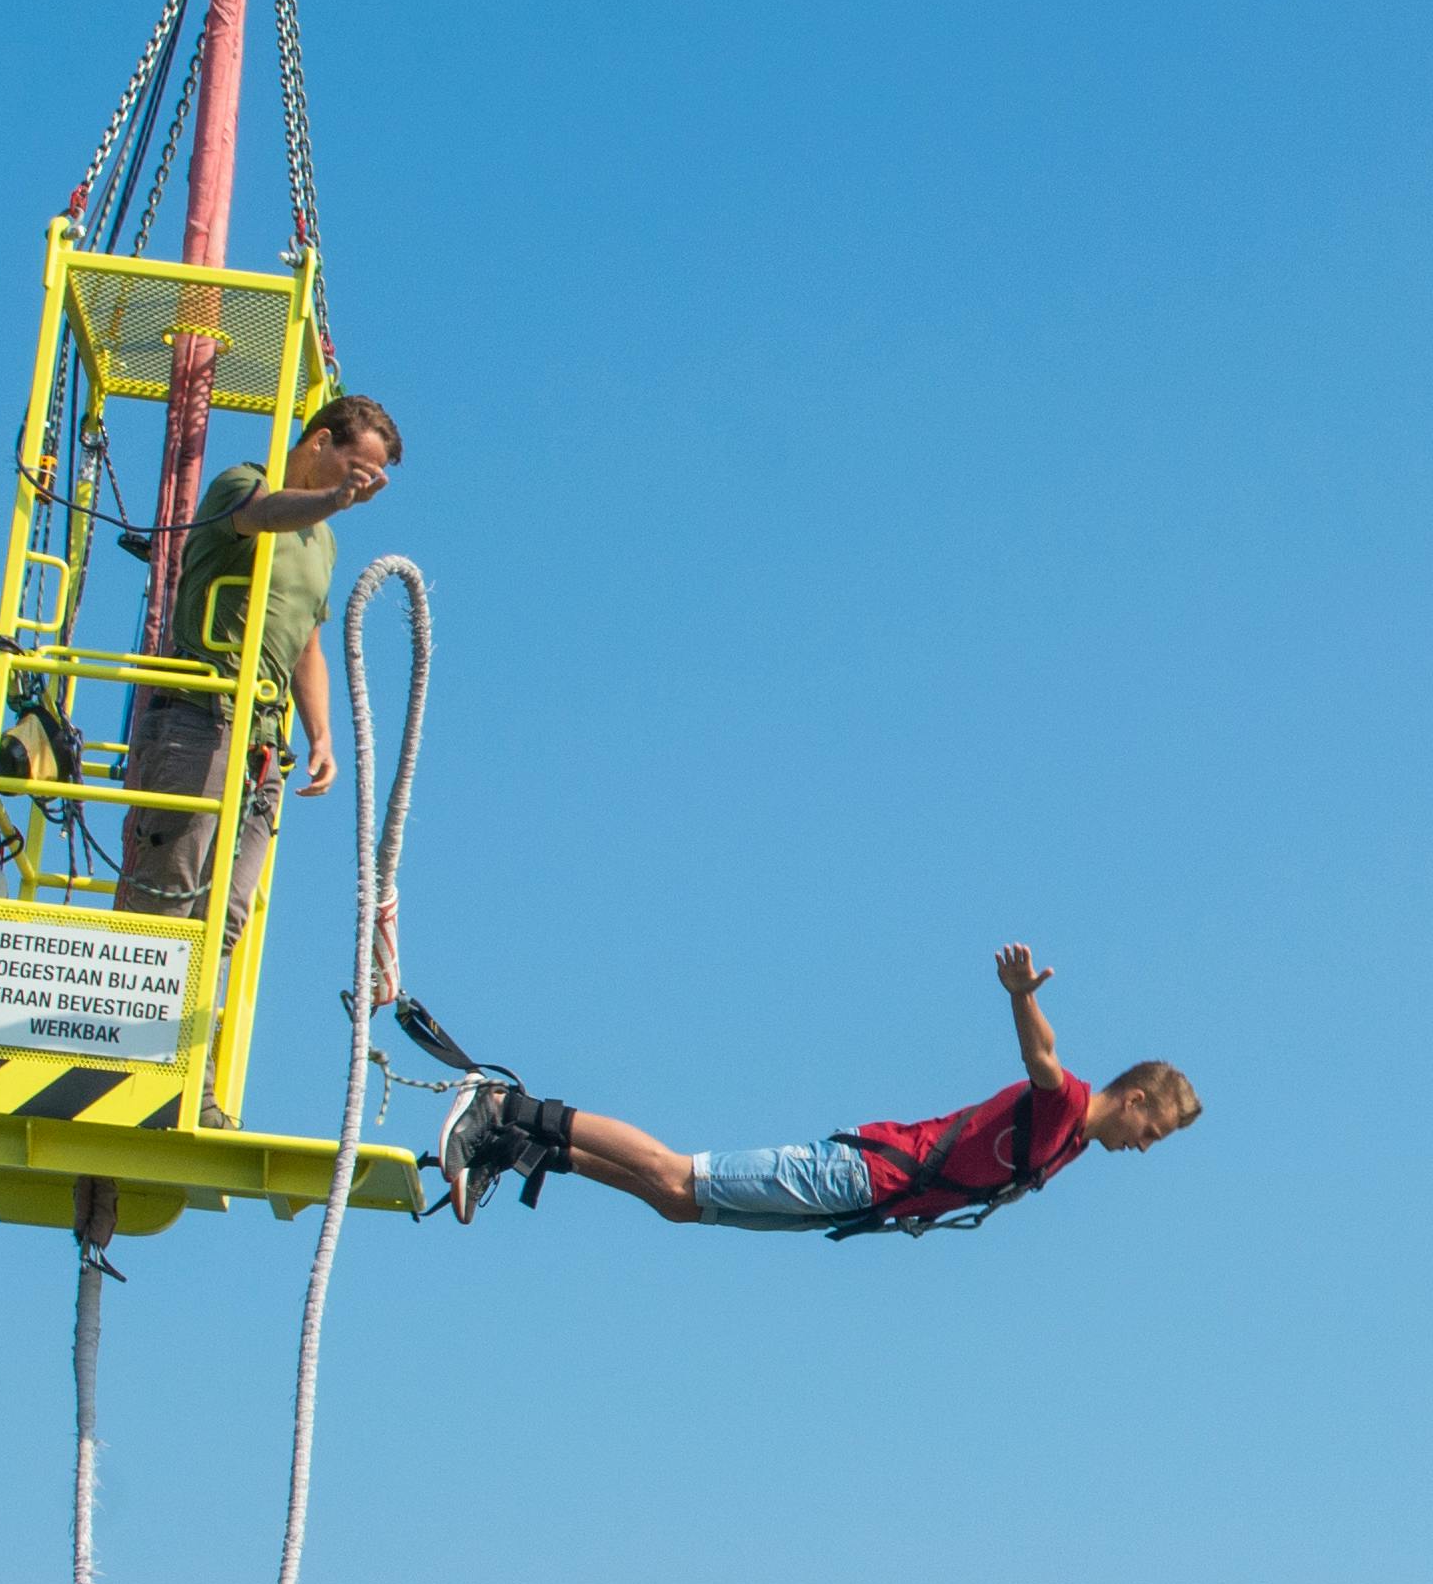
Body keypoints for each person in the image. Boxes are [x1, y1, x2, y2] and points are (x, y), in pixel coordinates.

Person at [435, 942, 1200, 1233]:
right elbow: (1043, 1055)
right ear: (1133, 1100)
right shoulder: (1066, 1103)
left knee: (674, 1203)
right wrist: (1018, 994)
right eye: (1152, 1131)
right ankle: (511, 1108)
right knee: (675, 1171)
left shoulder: (1068, 1148)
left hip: (863, 1199)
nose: (1144, 1147)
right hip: (858, 1171)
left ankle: (522, 1146)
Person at [115, 390, 402, 933]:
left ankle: (201, 1019)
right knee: (168, 895)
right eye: (358, 470)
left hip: (262, 741)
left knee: (226, 915)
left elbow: (308, 644)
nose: (363, 489)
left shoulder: (324, 542)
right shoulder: (245, 483)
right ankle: (149, 1015)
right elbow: (261, 516)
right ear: (321, 442)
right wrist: (335, 498)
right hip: (201, 717)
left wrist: (321, 735)